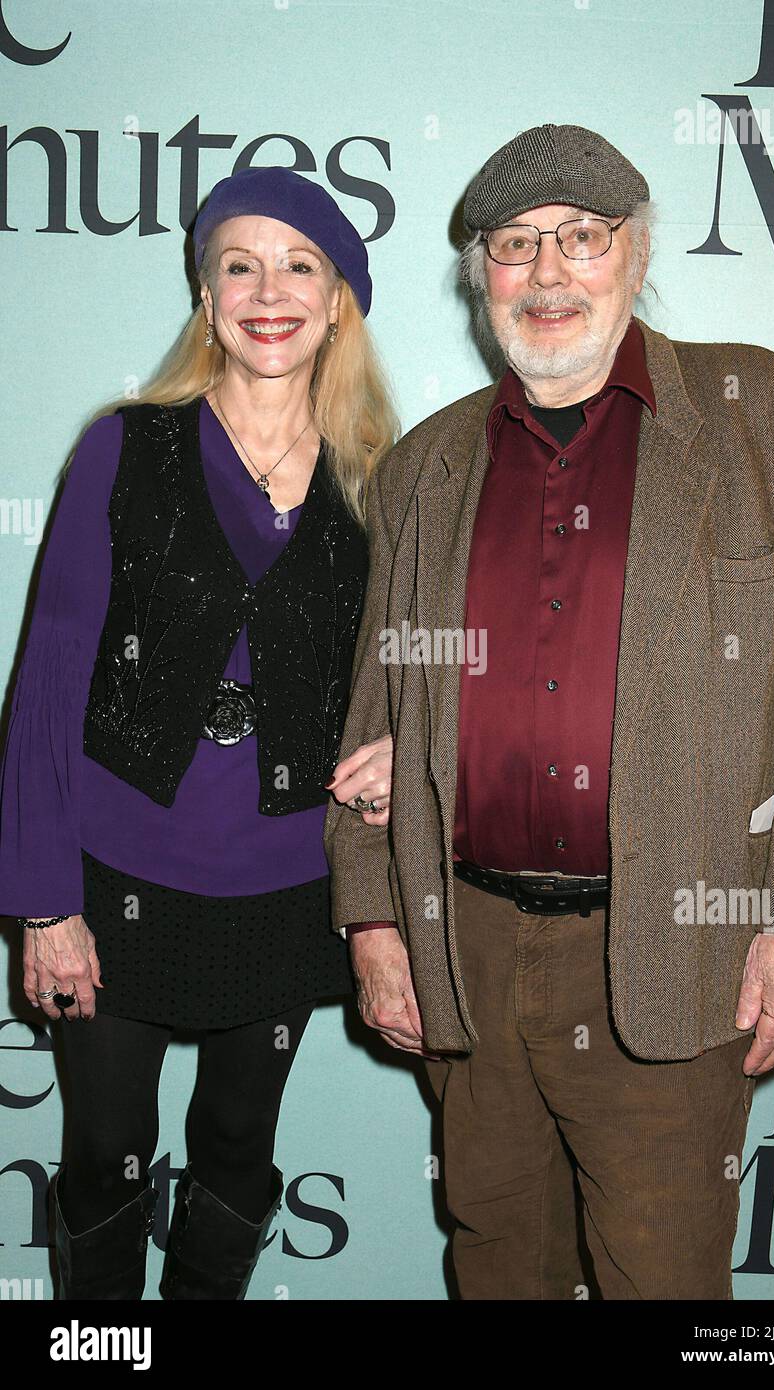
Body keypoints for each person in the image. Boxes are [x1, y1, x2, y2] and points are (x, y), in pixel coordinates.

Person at [324, 123, 774, 1299]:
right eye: (514, 245)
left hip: (677, 952)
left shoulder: (772, 421)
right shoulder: (424, 466)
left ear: (635, 251)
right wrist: (374, 923)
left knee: (661, 1280)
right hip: (464, 947)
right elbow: (375, 716)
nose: (549, 270)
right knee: (497, 1261)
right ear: (481, 277)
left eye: (582, 235)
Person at [0, 165, 397, 1300]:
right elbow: (47, 679)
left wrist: (406, 758)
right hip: (114, 874)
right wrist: (45, 902)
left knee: (236, 1150)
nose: (268, 291)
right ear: (207, 293)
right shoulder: (127, 449)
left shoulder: (379, 481)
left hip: (282, 889)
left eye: (299, 266)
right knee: (104, 1154)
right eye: (240, 264)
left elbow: (414, 674)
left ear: (337, 302)